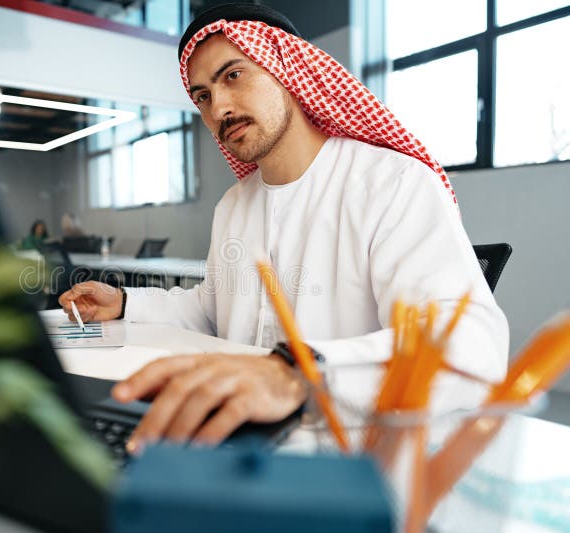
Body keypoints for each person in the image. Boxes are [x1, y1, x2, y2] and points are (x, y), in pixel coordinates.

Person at [59, 4, 508, 453]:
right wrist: (123, 304)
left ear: (286, 68)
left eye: (233, 75)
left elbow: (470, 343)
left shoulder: (391, 183)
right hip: (235, 441)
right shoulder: (233, 205)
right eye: (203, 96)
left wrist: (298, 372)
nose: (220, 108)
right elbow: (210, 310)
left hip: (354, 448)